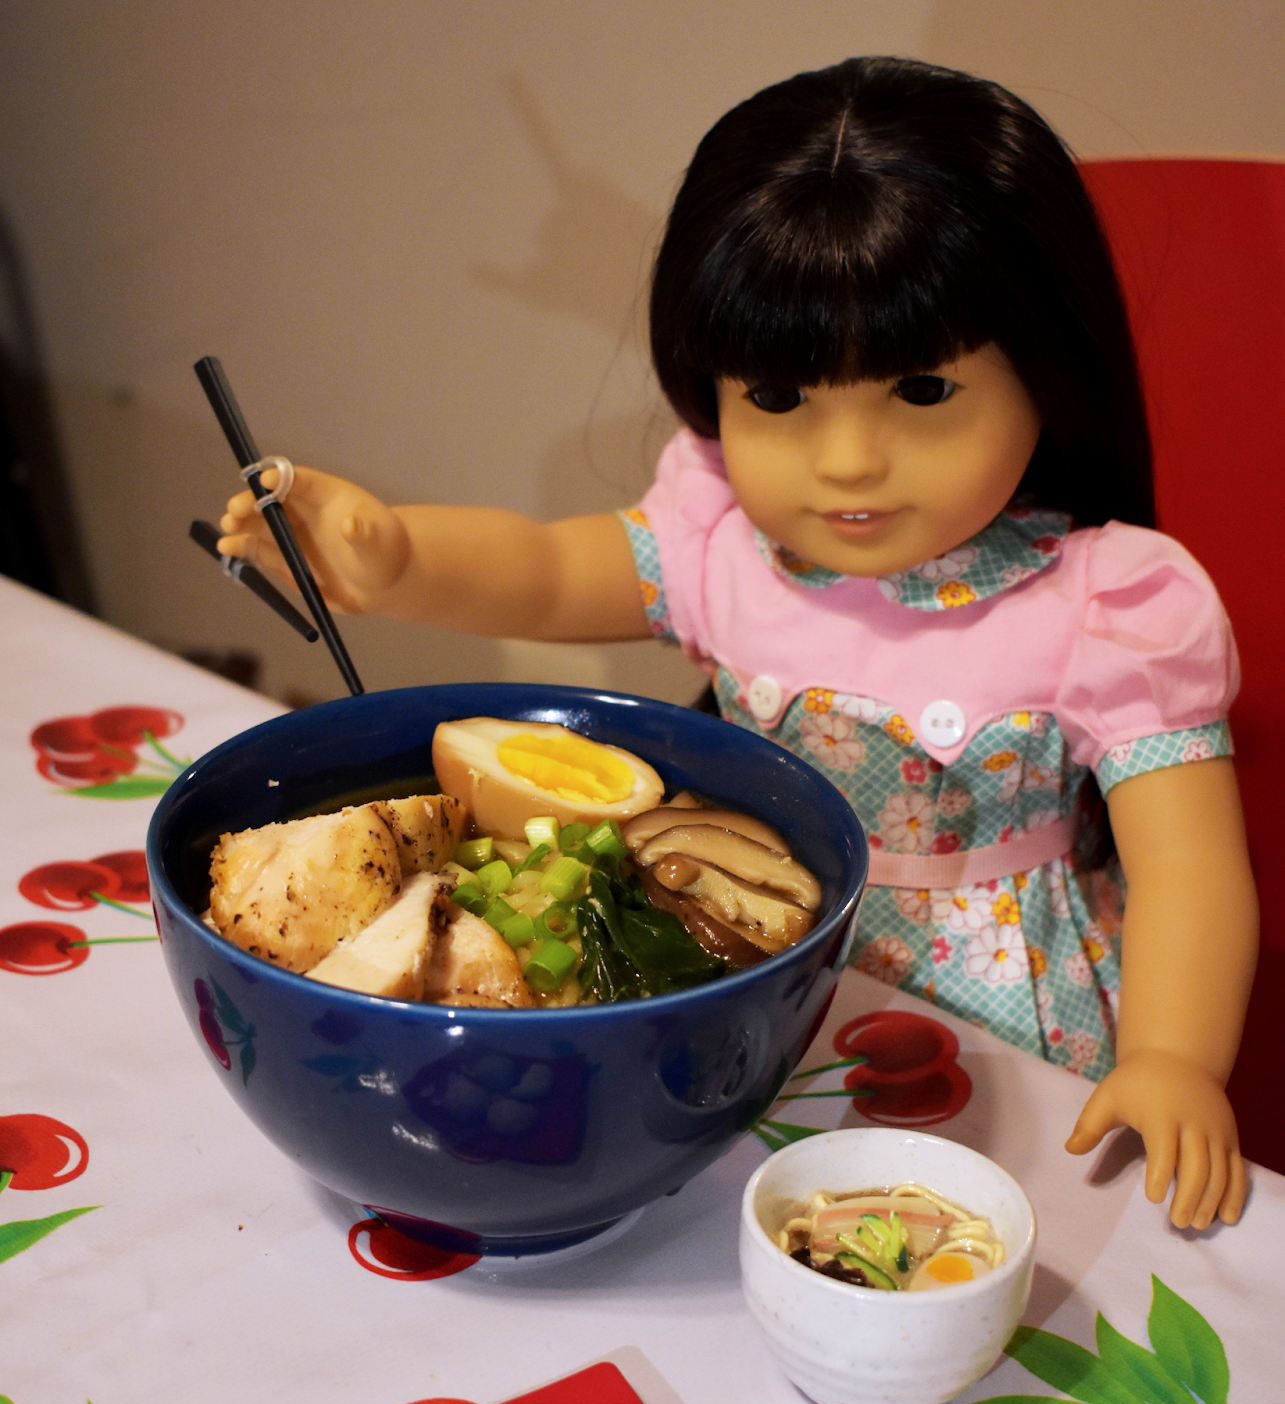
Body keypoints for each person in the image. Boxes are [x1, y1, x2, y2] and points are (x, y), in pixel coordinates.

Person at [219, 57, 1257, 1230]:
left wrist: (1174, 1057)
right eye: (776, 399)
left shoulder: (1108, 607)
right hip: (731, 994)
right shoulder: (719, 544)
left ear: (1046, 372)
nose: (848, 460)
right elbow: (553, 568)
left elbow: (1187, 871)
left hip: (1000, 1021)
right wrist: (395, 555)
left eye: (921, 391)